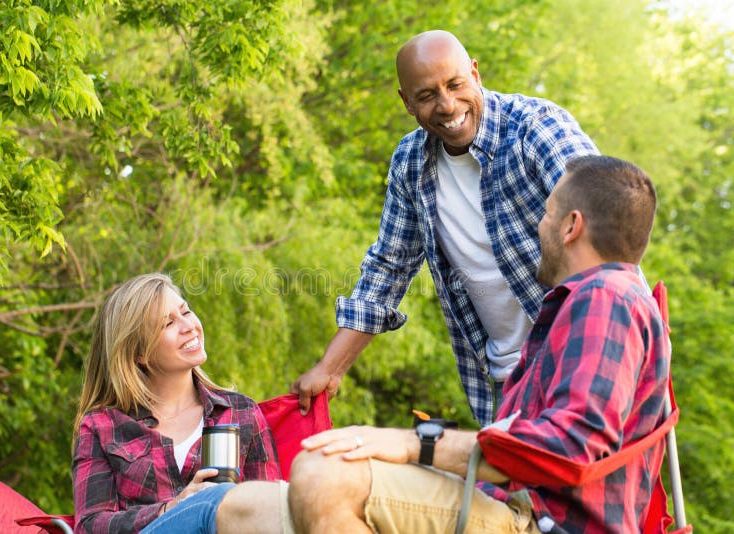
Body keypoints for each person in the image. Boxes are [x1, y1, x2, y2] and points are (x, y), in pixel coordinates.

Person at [289, 155, 669, 533]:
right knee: (246, 507)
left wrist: (415, 443)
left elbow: (568, 448)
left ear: (571, 226)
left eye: (548, 213)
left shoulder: (606, 298)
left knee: (327, 473)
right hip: (508, 504)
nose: (540, 225)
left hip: (542, 522)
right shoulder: (586, 302)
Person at [292, 30, 599, 425]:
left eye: (455, 85)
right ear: (407, 102)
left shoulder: (535, 129)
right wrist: (330, 369)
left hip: (584, 361)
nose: (447, 105)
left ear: (475, 73)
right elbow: (389, 267)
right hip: (507, 385)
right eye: (426, 95)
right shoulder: (411, 163)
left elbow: (604, 219)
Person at [72, 273, 288, 533]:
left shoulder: (240, 413)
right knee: (214, 499)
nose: (189, 326)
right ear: (139, 354)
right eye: (168, 324)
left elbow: (271, 513)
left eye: (186, 311)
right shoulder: (102, 425)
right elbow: (89, 526)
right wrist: (173, 508)